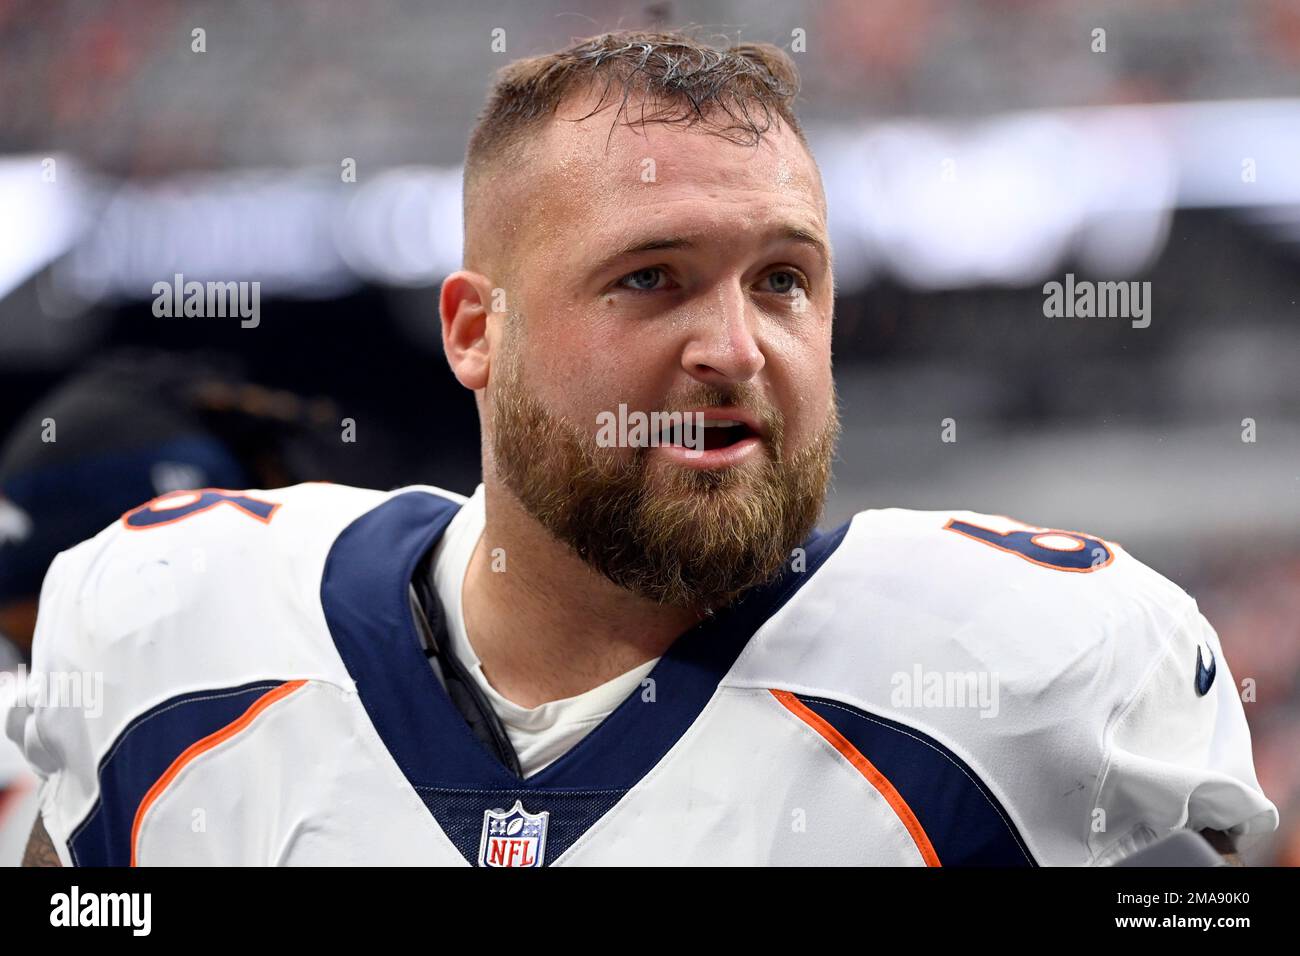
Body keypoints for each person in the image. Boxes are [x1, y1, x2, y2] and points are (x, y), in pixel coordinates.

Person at [8, 30, 1276, 866]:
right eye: (651, 278)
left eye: (783, 279)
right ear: (474, 330)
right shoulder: (176, 625)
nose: (734, 346)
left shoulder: (1029, 671)